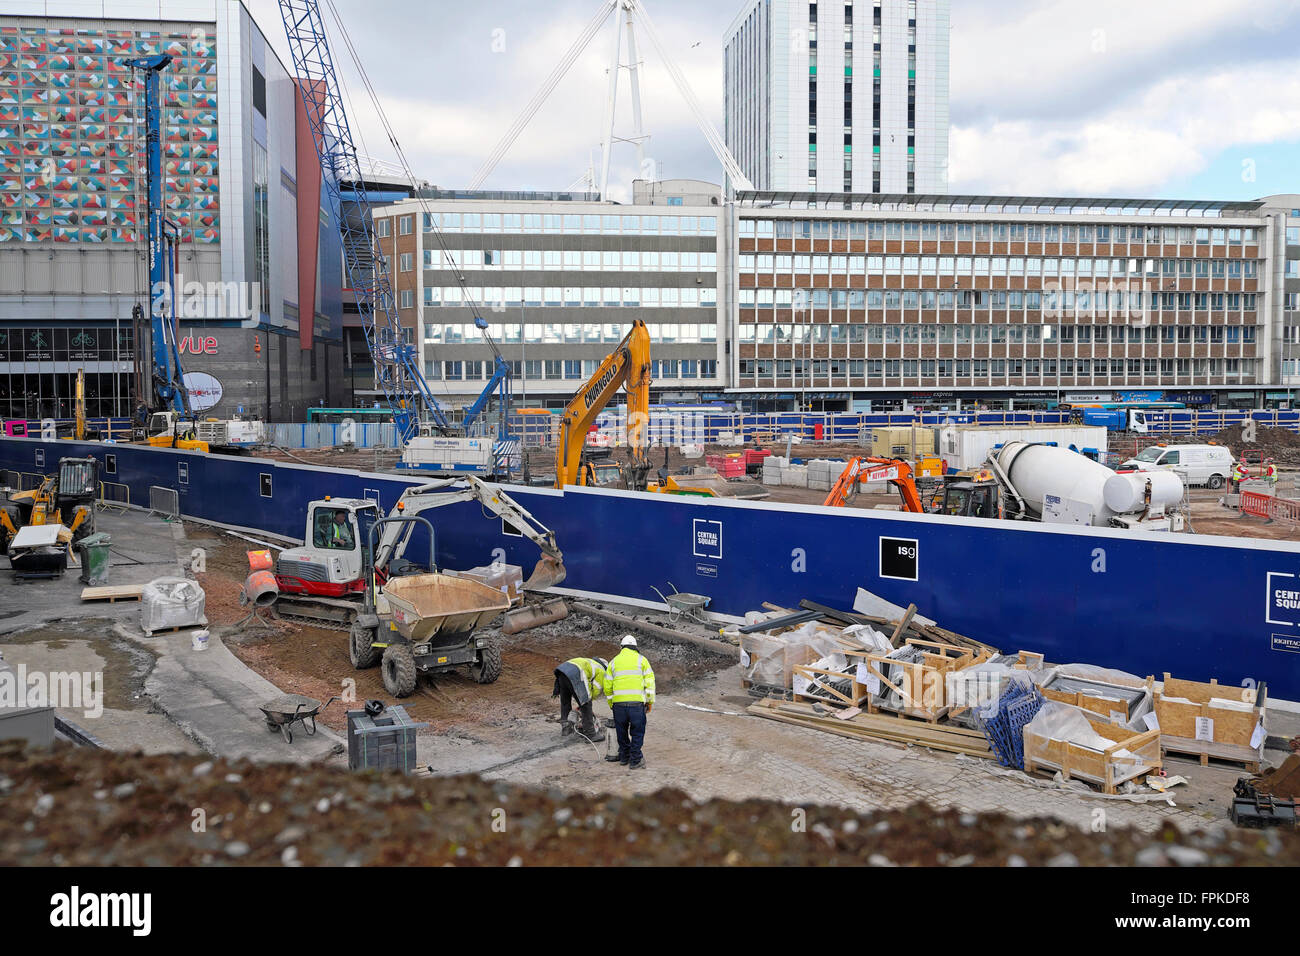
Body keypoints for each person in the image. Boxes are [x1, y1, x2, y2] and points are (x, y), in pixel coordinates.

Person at [603, 635, 656, 769]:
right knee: (637, 732)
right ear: (635, 648)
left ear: (621, 647)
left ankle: (624, 757)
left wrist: (612, 704)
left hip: (619, 705)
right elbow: (650, 684)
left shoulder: (613, 662)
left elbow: (607, 687)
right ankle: (635, 760)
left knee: (621, 732)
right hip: (636, 705)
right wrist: (649, 702)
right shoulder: (642, 660)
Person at [552, 657, 608, 739]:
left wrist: (580, 703)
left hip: (561, 671)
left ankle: (566, 728)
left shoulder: (588, 662)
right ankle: (590, 734)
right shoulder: (601, 670)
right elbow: (596, 689)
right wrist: (585, 706)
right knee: (586, 703)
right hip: (575, 673)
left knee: (565, 702)